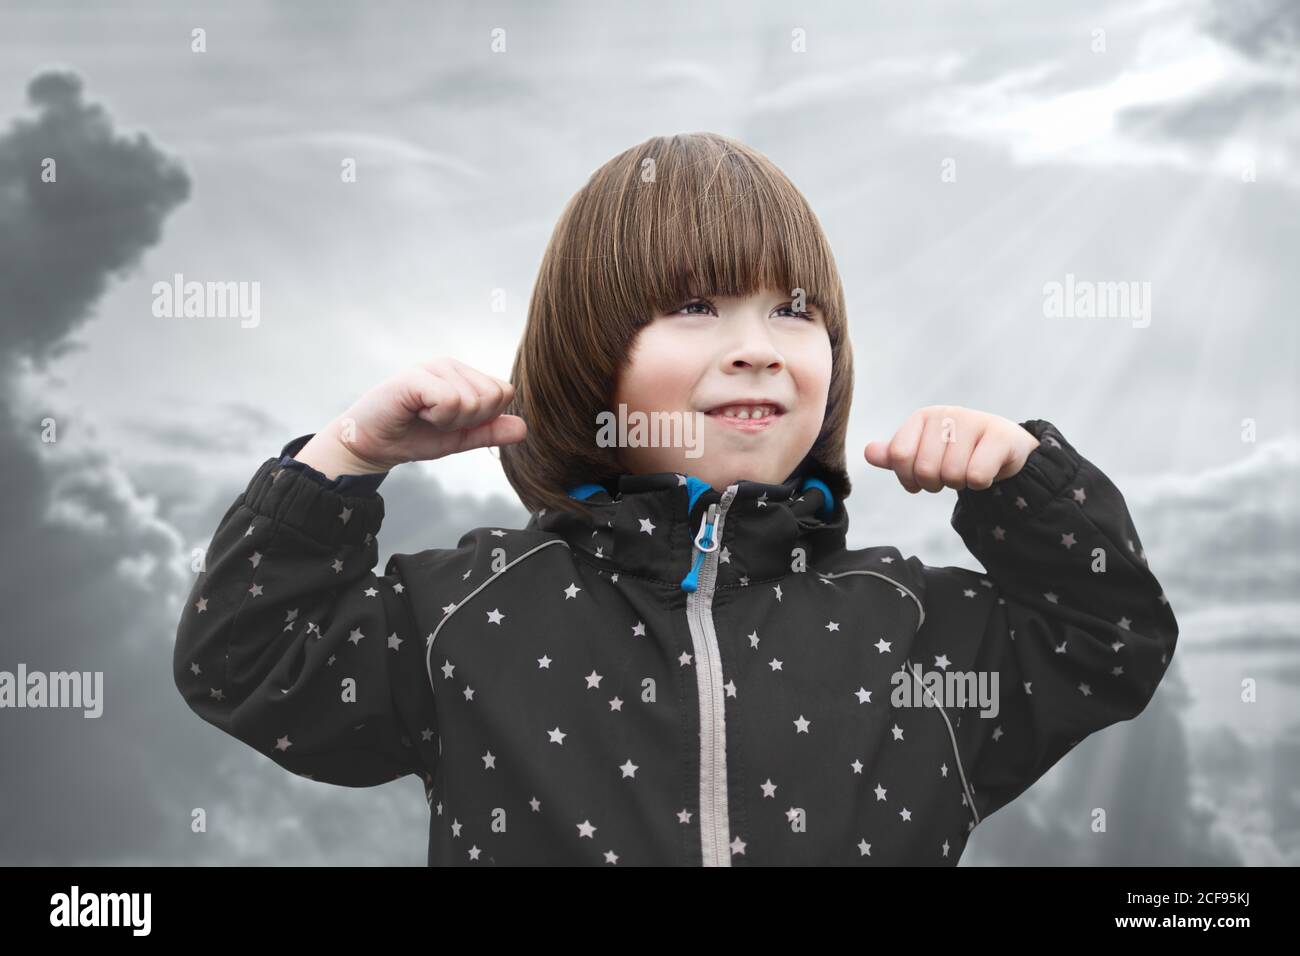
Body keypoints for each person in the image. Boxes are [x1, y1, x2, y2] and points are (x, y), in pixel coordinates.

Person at [173, 132, 1179, 865]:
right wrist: (346, 453)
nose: (754, 343)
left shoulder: (914, 629)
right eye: (695, 306)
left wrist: (1022, 481)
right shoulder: (468, 612)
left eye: (794, 309)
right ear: (589, 357)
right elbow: (243, 660)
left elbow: (1107, 641)